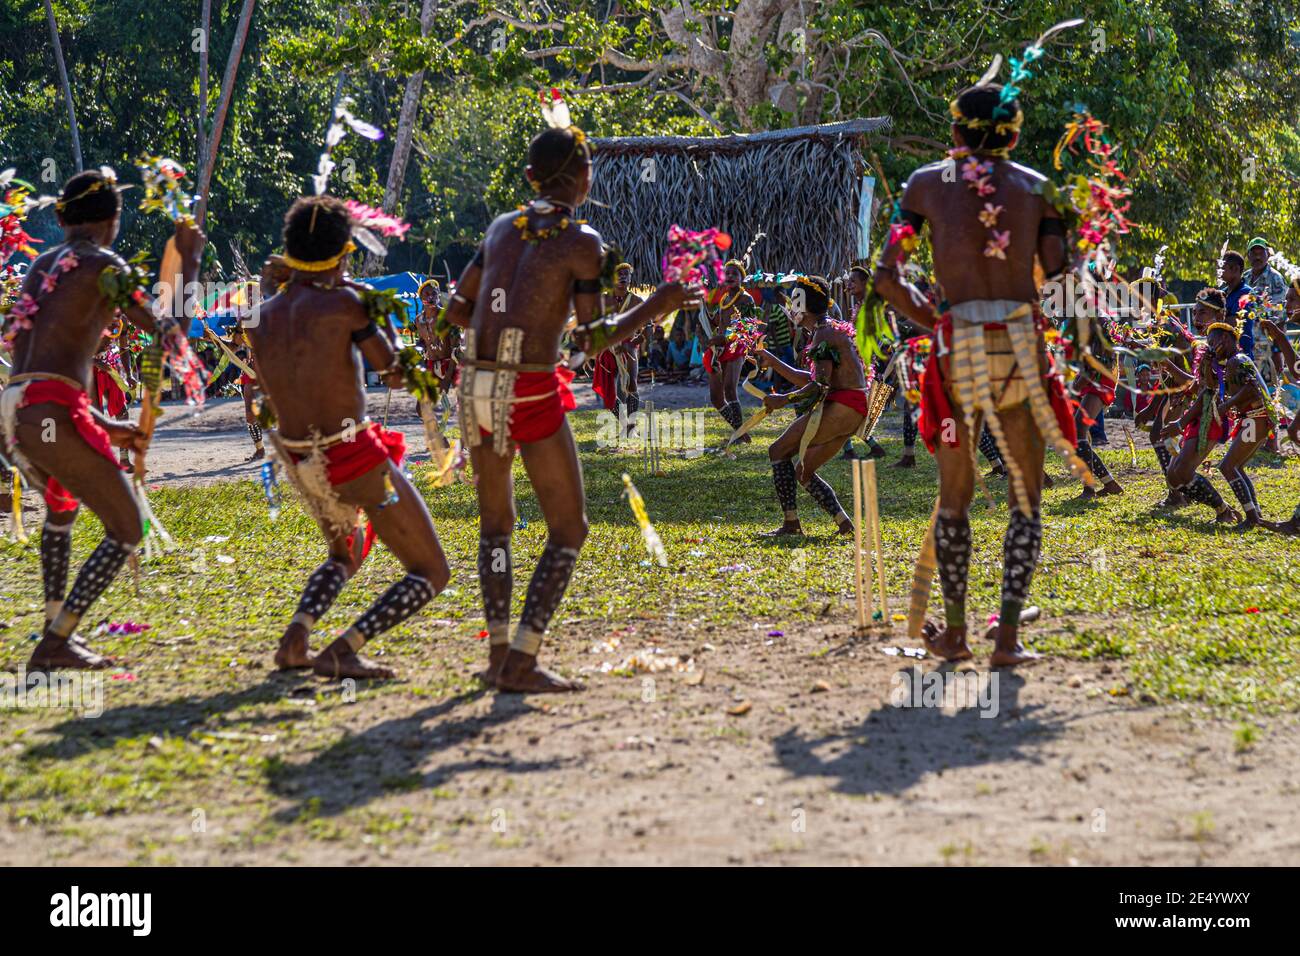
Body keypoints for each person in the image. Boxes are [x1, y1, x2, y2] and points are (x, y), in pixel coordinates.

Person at [441, 112, 694, 693]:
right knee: (569, 528)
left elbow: (457, 310)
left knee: (495, 529)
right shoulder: (584, 242)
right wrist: (661, 301)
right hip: (527, 389)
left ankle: (499, 654)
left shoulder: (501, 228)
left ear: (533, 176)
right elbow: (594, 338)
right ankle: (523, 660)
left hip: (474, 387)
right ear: (583, 178)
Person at [873, 82, 1089, 668]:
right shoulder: (1040, 189)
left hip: (956, 345)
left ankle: (959, 633)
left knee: (955, 498)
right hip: (1020, 344)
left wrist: (936, 318)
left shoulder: (923, 184)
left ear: (955, 133)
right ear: (1014, 135)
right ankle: (1010, 637)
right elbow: (1061, 274)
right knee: (1027, 498)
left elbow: (886, 275)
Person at [0, 168, 204, 669]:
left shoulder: (43, 264)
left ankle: (56, 633)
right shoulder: (104, 265)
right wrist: (191, 262)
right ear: (111, 221)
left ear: (67, 220)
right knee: (128, 526)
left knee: (62, 507)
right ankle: (55, 642)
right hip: (48, 411)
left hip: (17, 413)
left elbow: (43, 367)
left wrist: (107, 426)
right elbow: (168, 332)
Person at [251, 195, 451, 679]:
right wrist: (383, 322)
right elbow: (395, 373)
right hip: (351, 455)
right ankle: (345, 648)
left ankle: (295, 641)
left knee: (345, 554)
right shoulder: (346, 302)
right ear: (341, 252)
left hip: (300, 460)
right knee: (431, 571)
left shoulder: (263, 316)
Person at [757, 276, 869, 536]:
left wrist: (783, 399)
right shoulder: (828, 329)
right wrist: (773, 361)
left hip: (844, 405)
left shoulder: (824, 333)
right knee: (803, 471)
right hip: (853, 407)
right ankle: (844, 524)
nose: (790, 307)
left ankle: (791, 525)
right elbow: (815, 377)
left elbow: (819, 385)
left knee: (777, 451)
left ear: (802, 303)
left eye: (793, 301)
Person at [1160, 301, 1271, 529]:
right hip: (1252, 418)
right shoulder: (1223, 362)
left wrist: (1225, 405)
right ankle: (1252, 515)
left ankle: (1249, 518)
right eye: (1209, 342)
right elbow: (1208, 389)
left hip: (1256, 417)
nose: (1211, 345)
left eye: (1215, 341)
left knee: (1228, 467)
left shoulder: (1236, 360)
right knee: (1232, 467)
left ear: (1229, 340)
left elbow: (1251, 389)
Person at [701, 260, 760, 433]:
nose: (730, 276)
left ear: (742, 277)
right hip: (720, 348)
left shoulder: (746, 299)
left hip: (736, 346)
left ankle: (740, 433)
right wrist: (703, 312)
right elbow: (719, 322)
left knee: (729, 389)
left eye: (735, 273)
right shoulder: (724, 298)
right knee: (716, 397)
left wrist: (724, 338)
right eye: (727, 273)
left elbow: (749, 327)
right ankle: (738, 429)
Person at [591, 262, 643, 435]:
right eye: (618, 274)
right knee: (608, 390)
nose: (622, 277)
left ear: (630, 278)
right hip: (607, 348)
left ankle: (632, 427)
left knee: (631, 383)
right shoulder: (603, 300)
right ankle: (626, 426)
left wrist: (637, 340)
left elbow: (648, 326)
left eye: (626, 274)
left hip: (628, 348)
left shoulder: (636, 301)